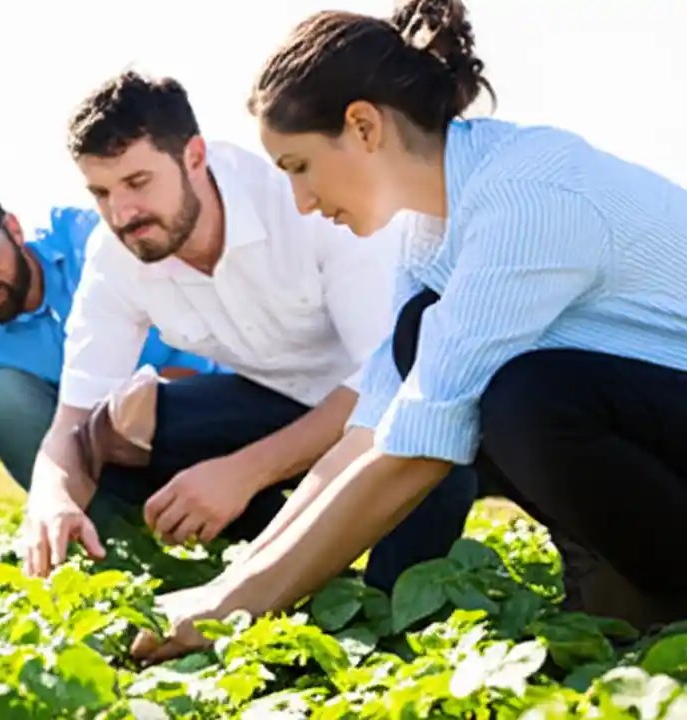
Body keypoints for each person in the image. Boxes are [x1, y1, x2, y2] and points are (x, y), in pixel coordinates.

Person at [128, 0, 687, 663]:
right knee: (423, 338)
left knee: (529, 396)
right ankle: (630, 578)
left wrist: (236, 609)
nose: (301, 203)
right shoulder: (427, 231)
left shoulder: (529, 198)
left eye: (299, 167)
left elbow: (420, 447)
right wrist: (229, 585)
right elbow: (372, 431)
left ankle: (656, 582)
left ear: (363, 126)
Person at [20, 69, 479, 593]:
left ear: (194, 156)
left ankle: (364, 595)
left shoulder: (306, 199)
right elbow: (72, 423)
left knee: (423, 456)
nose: (121, 213)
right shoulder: (114, 255)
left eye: (137, 182)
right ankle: (268, 561)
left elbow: (384, 383)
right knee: (118, 433)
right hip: (272, 404)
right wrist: (50, 500)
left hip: (383, 404)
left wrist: (244, 472)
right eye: (101, 192)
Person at [0, 179, 219, 547]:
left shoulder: (87, 243)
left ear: (13, 229)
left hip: (203, 421)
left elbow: (202, 329)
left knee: (149, 400)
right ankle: (112, 542)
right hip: (91, 466)